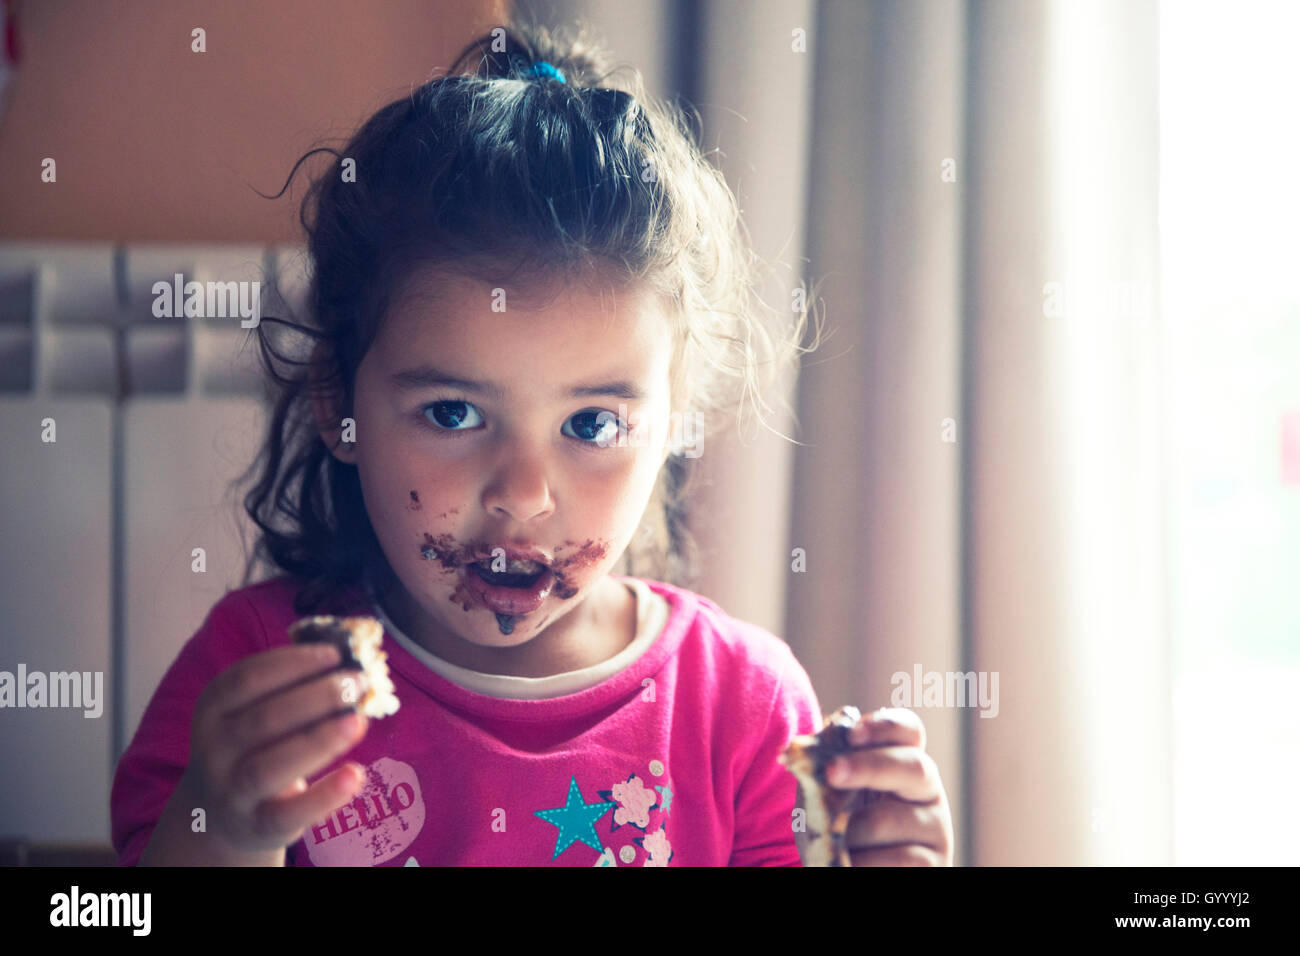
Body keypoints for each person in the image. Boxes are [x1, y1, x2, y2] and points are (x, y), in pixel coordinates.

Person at [111, 19, 952, 867]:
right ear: (339, 406)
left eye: (592, 425)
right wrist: (222, 832)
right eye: (452, 413)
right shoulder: (258, 669)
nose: (523, 492)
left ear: (671, 424)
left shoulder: (743, 706)